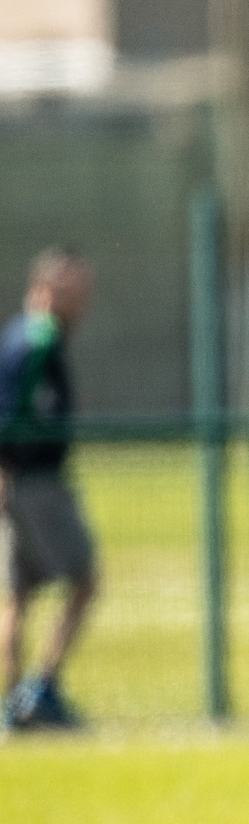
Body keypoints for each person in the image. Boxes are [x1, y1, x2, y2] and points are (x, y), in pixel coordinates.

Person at [0, 249, 97, 731]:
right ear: (46, 287)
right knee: (84, 579)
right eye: (71, 289)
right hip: (33, 483)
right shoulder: (35, 341)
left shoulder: (31, 337)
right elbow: (9, 413)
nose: (81, 300)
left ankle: (16, 705)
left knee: (20, 593)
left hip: (24, 481)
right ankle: (38, 691)